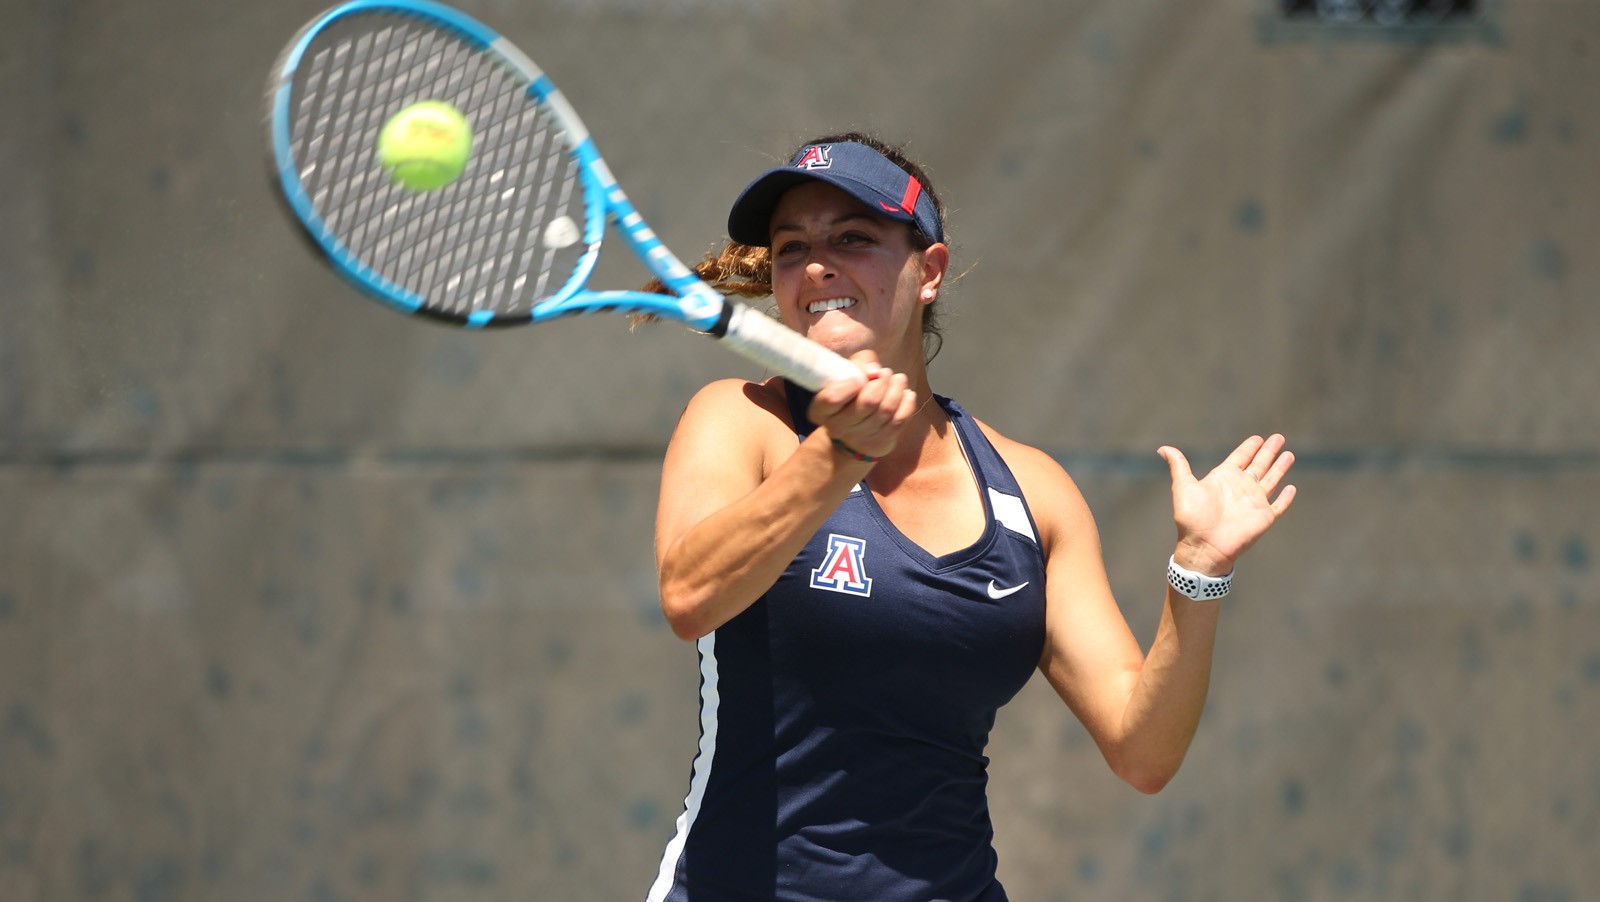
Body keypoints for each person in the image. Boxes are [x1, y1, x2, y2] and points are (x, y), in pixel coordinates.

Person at [644, 133, 1297, 902]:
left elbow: (1142, 749)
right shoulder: (737, 420)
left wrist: (1199, 571)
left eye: (853, 238)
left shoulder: (1034, 493)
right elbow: (691, 597)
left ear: (930, 272)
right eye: (793, 248)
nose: (818, 264)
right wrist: (839, 455)